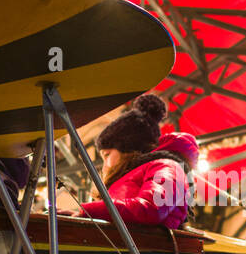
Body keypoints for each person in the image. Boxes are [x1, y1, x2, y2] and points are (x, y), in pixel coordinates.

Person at [77, 93, 196, 229]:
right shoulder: (138, 173)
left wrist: (89, 212)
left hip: (146, 247)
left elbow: (152, 208)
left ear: (127, 147)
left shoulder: (166, 166)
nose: (105, 166)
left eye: (107, 155)